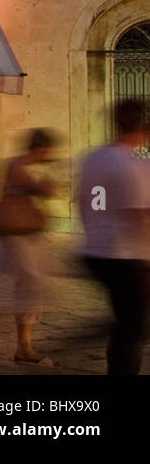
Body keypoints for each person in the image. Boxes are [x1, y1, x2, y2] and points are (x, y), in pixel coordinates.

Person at [77, 98, 150, 375]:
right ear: (141, 127)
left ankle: (97, 332)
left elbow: (84, 202)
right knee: (132, 331)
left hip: (95, 252)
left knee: (128, 322)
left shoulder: (93, 157)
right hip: (126, 256)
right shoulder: (135, 164)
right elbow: (139, 214)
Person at [0, 128, 57, 364]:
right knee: (32, 284)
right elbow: (44, 190)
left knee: (30, 286)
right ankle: (24, 346)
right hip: (17, 235)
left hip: (22, 235)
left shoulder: (18, 166)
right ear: (40, 149)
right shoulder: (18, 166)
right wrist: (46, 181)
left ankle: (24, 345)